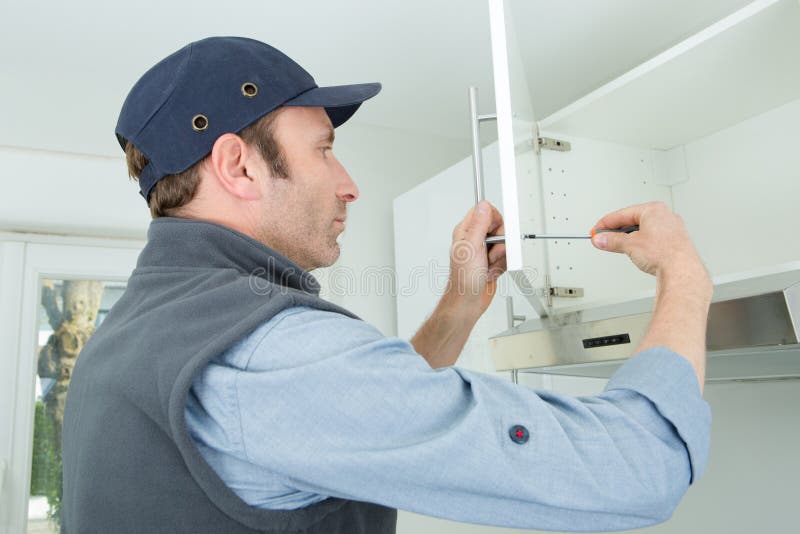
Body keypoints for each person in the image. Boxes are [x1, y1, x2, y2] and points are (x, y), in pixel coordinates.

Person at [61, 36, 712, 533]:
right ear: (238, 165)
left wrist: (459, 308)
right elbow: (638, 463)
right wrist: (683, 273)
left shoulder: (130, 336)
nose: (348, 184)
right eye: (323, 148)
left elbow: (352, 419)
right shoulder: (263, 354)